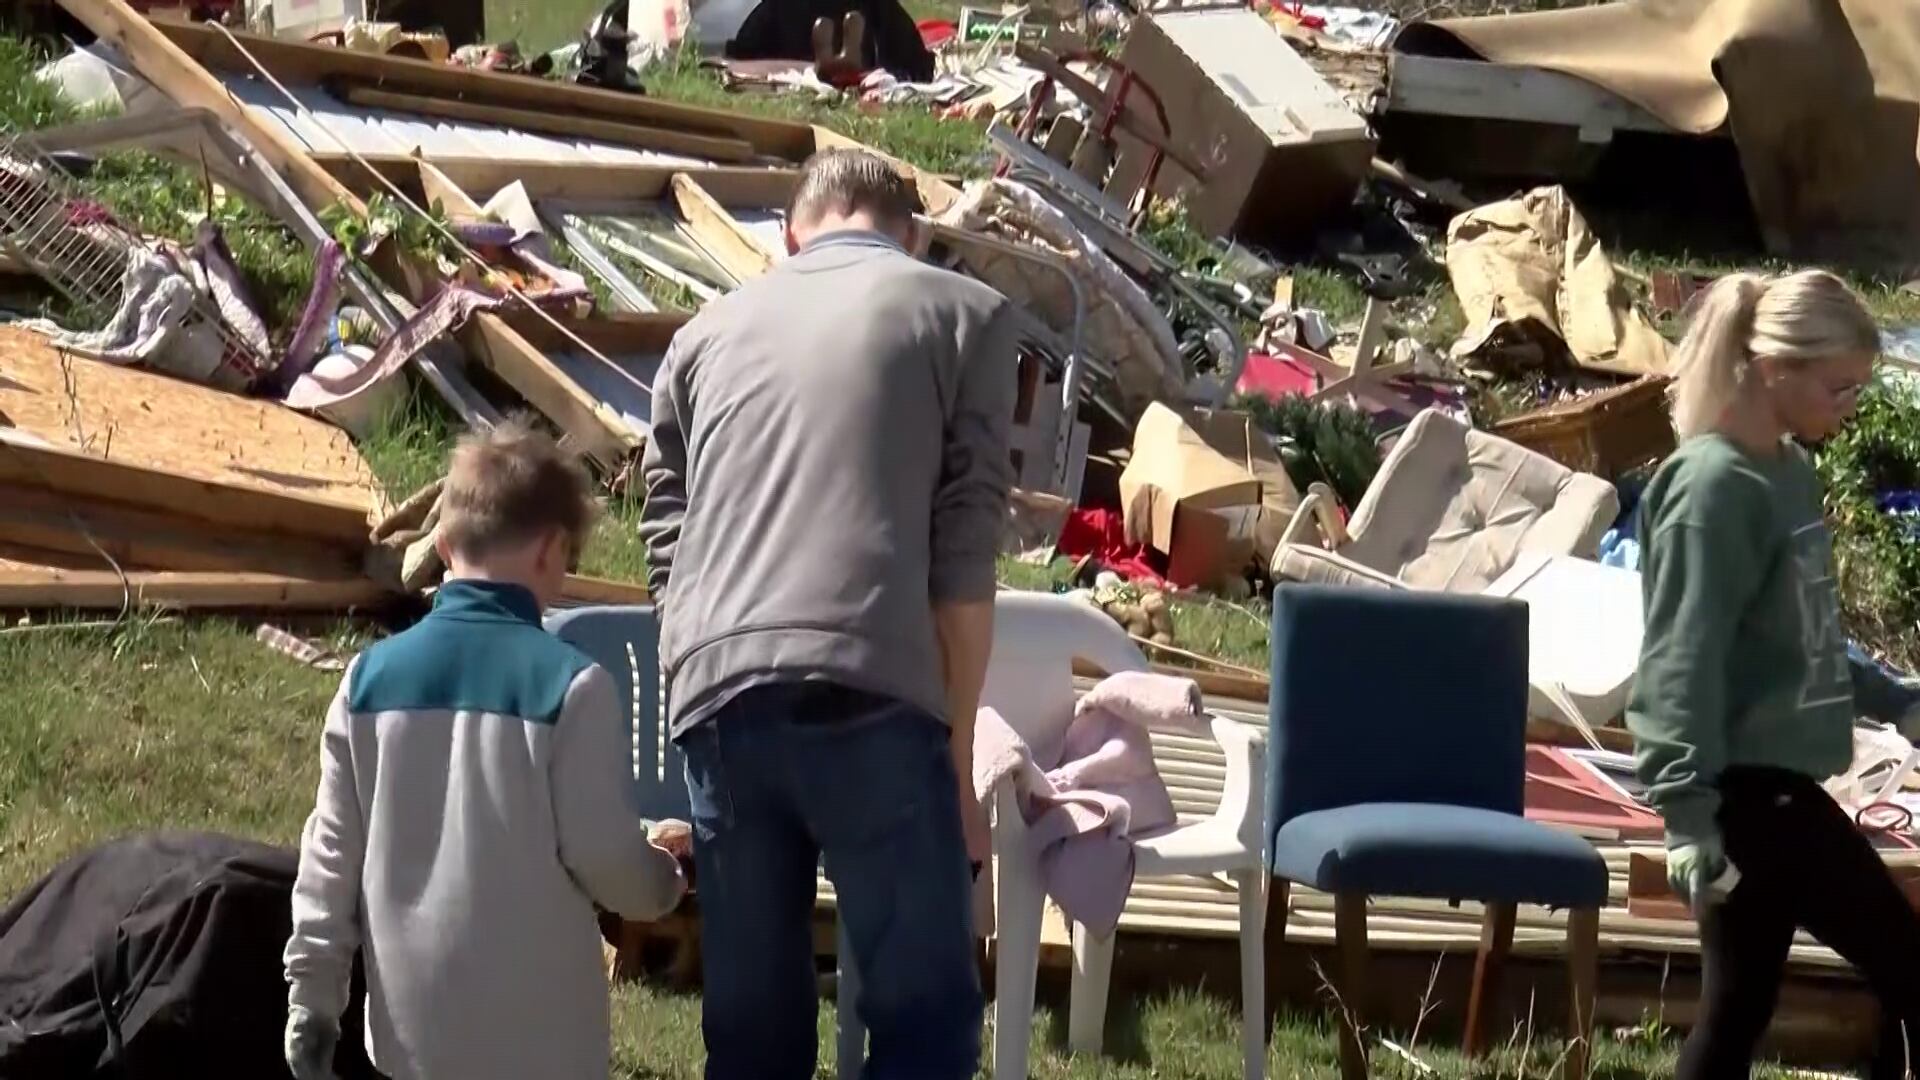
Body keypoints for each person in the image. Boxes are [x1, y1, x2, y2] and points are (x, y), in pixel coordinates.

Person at [639, 147, 1017, 1080]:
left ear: (788, 237)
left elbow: (664, 528)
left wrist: (697, 650)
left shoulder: (704, 333)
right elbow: (962, 561)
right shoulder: (965, 314)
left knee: (754, 1037)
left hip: (721, 696)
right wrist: (960, 768)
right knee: (925, 1023)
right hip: (872, 692)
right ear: (915, 236)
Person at [282, 420, 688, 1080]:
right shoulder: (573, 687)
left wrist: (312, 1000)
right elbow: (608, 865)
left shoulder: (365, 682)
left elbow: (330, 856)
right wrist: (668, 879)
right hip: (541, 1045)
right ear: (552, 551)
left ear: (442, 545)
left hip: (410, 1039)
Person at [1628, 270, 1920, 1079]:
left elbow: (1806, 632)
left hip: (1781, 787)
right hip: (1742, 802)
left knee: (1738, 1012)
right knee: (1909, 970)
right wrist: (1685, 815)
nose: (1850, 406)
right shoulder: (1712, 489)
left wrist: (1897, 701)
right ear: (1774, 368)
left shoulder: (1787, 471)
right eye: (1839, 386)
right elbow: (1677, 662)